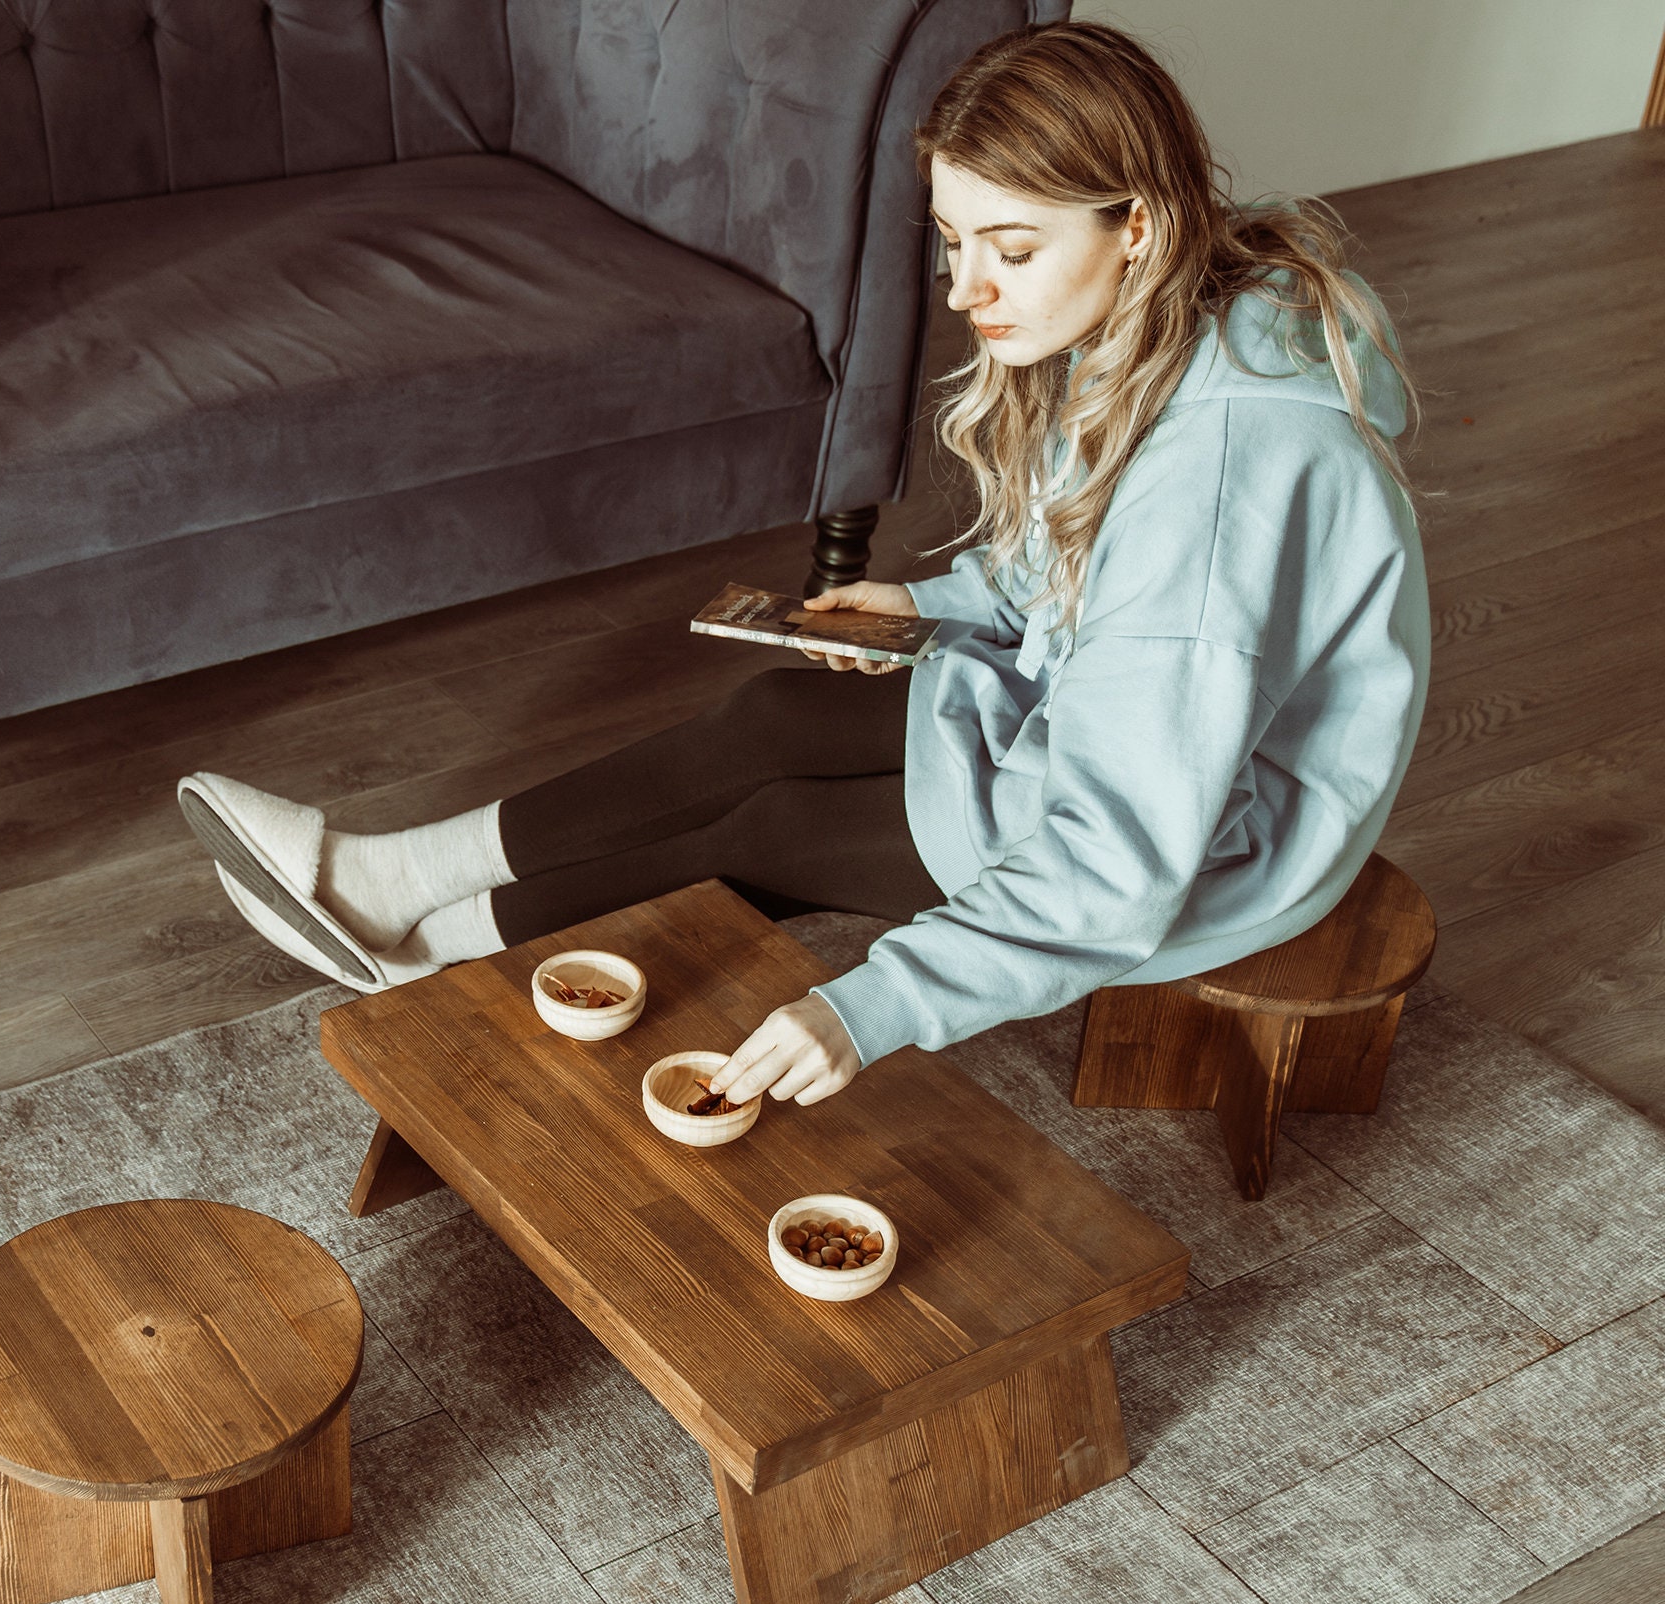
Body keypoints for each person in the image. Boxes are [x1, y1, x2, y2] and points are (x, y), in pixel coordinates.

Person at [176, 21, 1427, 1113]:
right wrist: (927, 606)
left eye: (1010, 249)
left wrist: (867, 1008)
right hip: (1117, 735)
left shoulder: (1218, 476)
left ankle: (435, 946)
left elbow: (1119, 854)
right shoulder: (1167, 327)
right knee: (774, 711)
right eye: (953, 242)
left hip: (1211, 837)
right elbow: (1074, 579)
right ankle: (387, 878)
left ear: (1135, 225)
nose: (968, 290)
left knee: (772, 831)